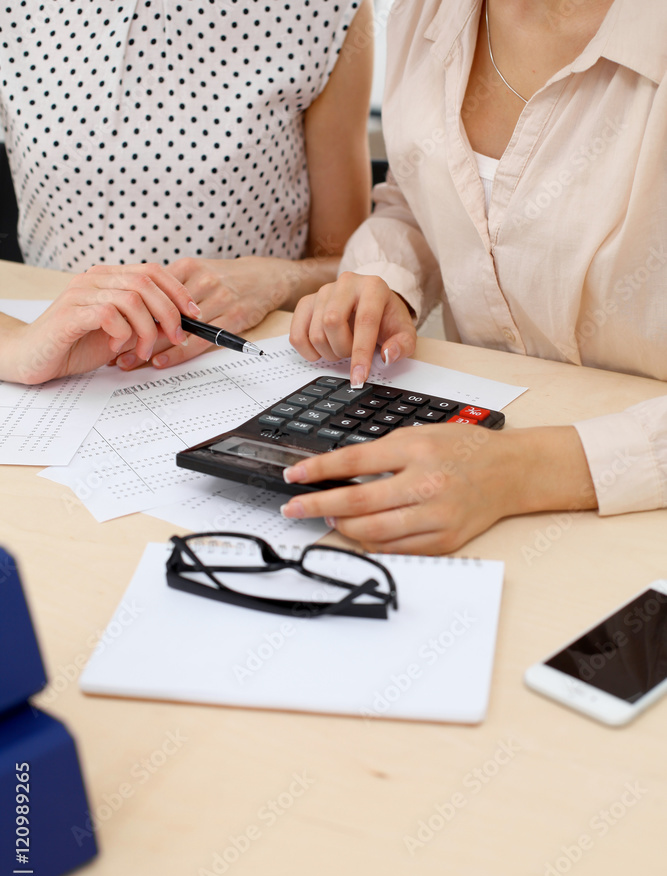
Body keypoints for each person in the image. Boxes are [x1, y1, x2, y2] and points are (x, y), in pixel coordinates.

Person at [282, 0, 667, 554]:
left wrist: (520, 471)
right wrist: (385, 279)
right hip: (475, 487)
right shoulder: (425, 12)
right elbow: (420, 198)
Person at [0, 0, 373, 384]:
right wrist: (15, 344)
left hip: (240, 372)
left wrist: (281, 279)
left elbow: (353, 266)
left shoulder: (323, 10)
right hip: (56, 377)